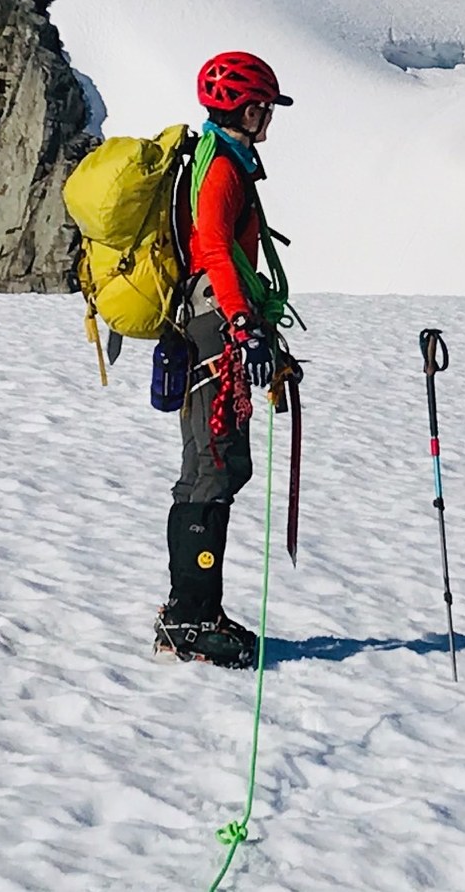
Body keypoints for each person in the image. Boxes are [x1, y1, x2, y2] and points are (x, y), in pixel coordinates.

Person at [153, 50, 293, 667]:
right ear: (249, 106)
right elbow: (212, 245)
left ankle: (192, 611)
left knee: (214, 466)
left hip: (209, 320)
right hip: (215, 324)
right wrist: (242, 324)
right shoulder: (223, 171)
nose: (270, 119)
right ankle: (190, 621)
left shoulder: (216, 156)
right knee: (213, 466)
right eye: (266, 108)